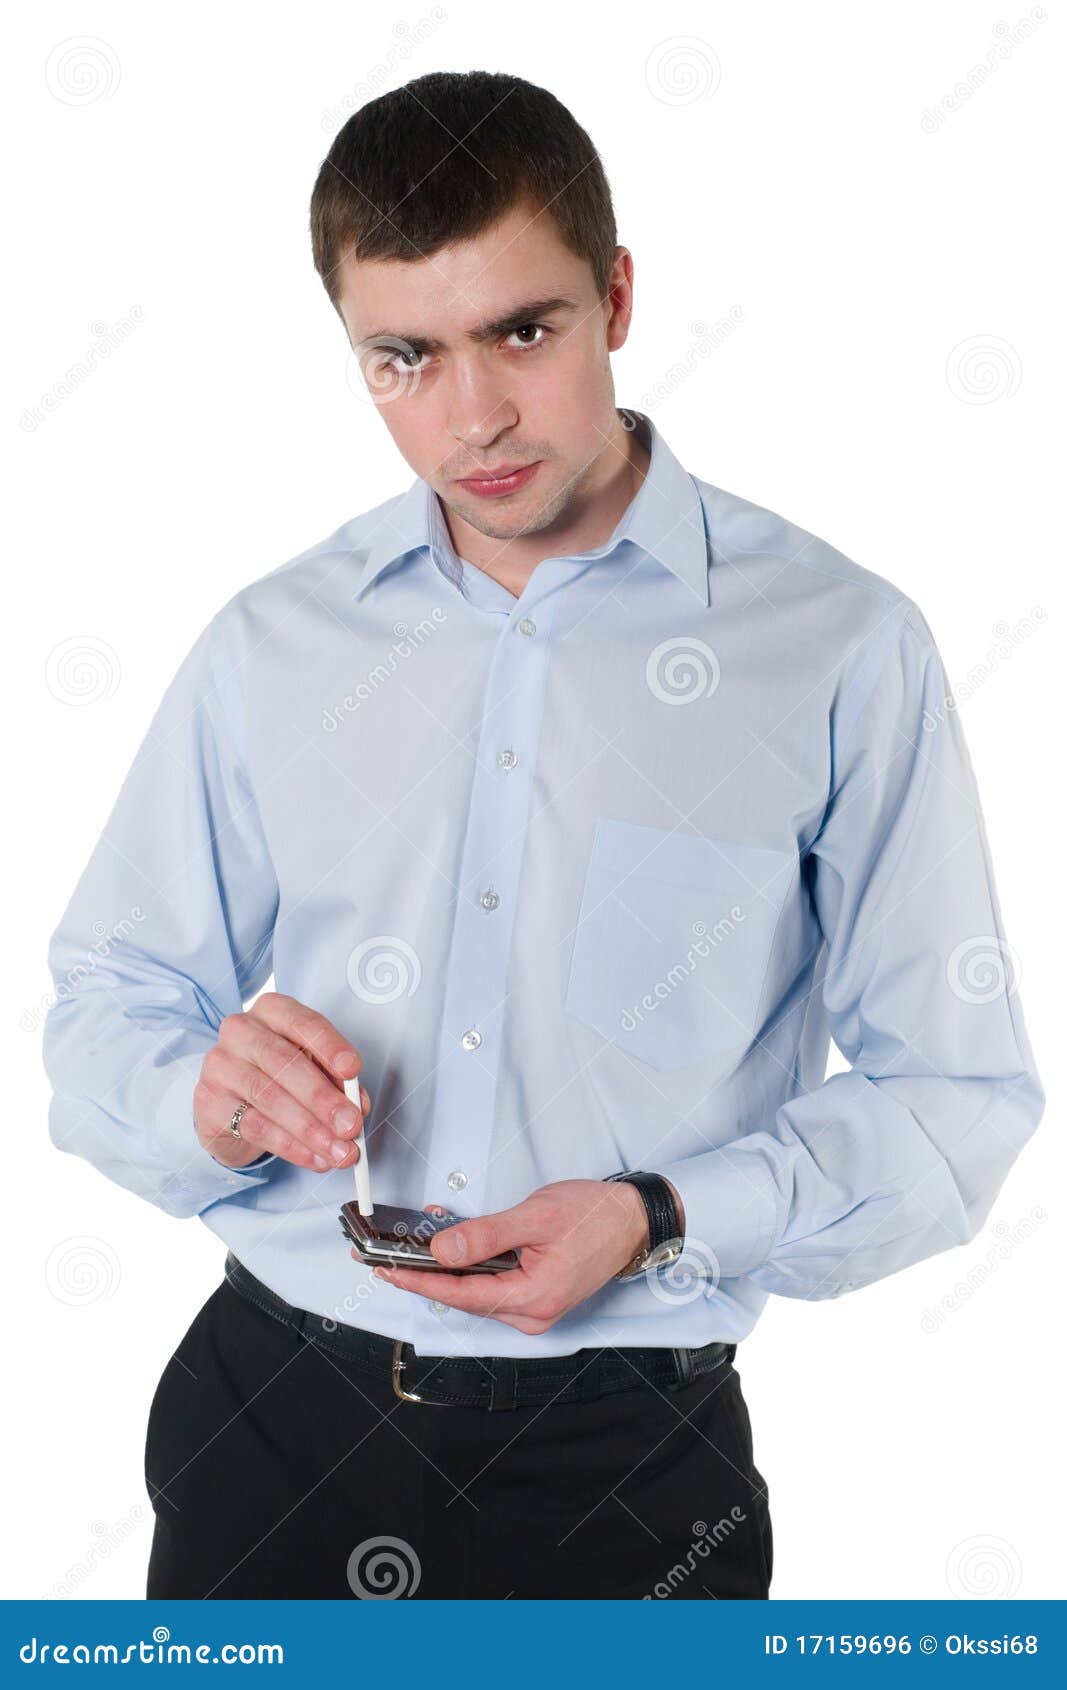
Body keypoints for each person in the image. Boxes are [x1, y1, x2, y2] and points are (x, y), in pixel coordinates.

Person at [42, 69, 1043, 1601]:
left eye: (523, 331)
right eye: (405, 357)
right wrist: (210, 1099)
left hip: (628, 1475)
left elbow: (956, 1095)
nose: (475, 417)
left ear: (617, 297)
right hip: (271, 1428)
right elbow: (108, 999)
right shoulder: (273, 643)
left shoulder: (841, 647)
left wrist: (657, 1217)